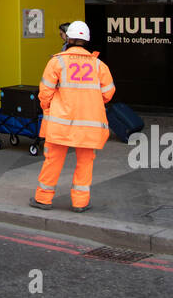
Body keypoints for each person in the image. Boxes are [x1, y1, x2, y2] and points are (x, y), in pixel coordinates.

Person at [30, 20, 114, 213]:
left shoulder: (57, 62)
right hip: (89, 125)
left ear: (68, 38)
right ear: (87, 40)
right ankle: (80, 202)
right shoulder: (99, 65)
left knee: (53, 160)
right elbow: (108, 94)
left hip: (60, 123)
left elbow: (45, 93)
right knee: (85, 163)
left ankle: (43, 198)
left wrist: (48, 107)